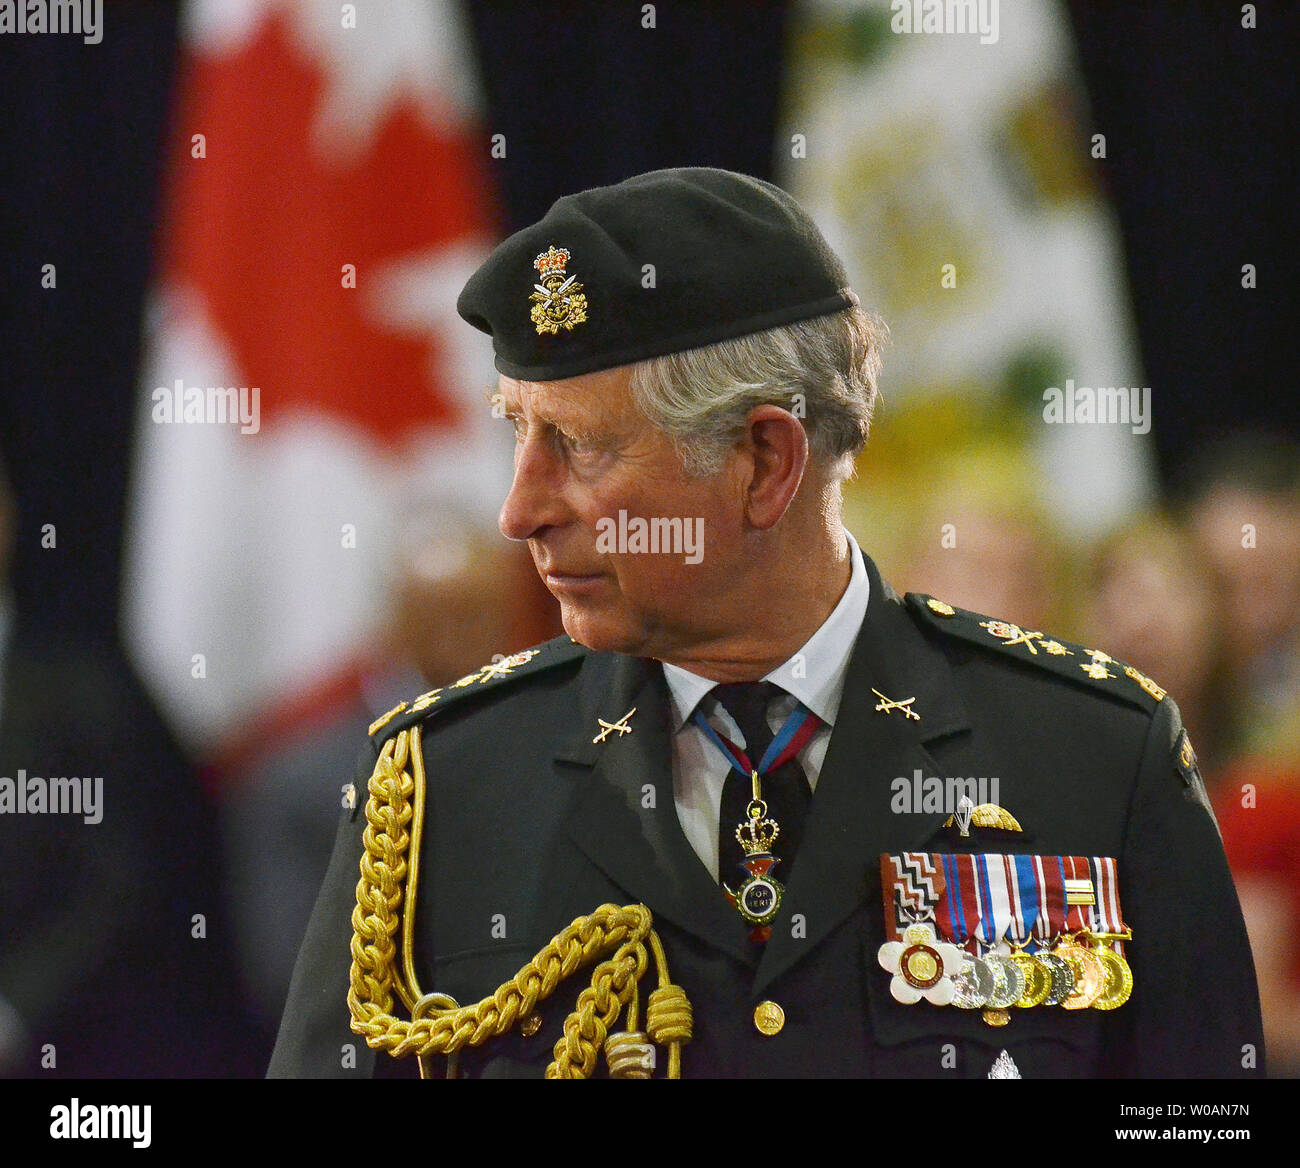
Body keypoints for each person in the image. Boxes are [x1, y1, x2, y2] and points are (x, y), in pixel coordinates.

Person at [269, 168, 1262, 1079]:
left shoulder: (1092, 756)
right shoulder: (446, 788)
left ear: (763, 463)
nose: (519, 508)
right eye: (517, 433)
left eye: (574, 445)